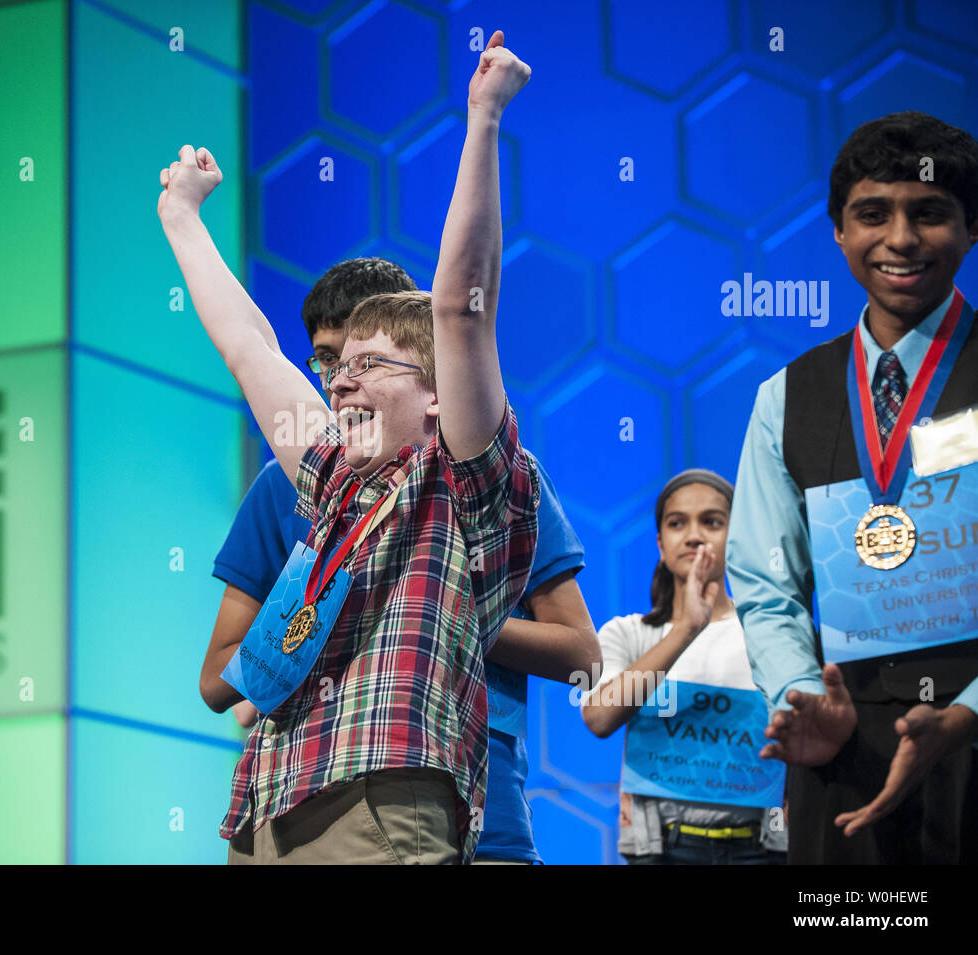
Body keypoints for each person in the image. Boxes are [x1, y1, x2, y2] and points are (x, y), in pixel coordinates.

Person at [157, 31, 568, 863]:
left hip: (385, 802)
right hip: (266, 807)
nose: (340, 382)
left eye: (370, 364)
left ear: (438, 394)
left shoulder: (467, 486)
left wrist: (483, 117)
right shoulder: (330, 482)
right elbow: (250, 348)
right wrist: (181, 216)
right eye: (338, 367)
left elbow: (461, 306)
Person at [204, 263, 600, 865]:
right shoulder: (304, 484)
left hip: (457, 790)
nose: (338, 383)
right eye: (326, 362)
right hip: (291, 787)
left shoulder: (484, 482)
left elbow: (582, 654)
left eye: (365, 361)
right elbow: (219, 684)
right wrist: (306, 631)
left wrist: (433, 612)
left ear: (435, 380)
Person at [727, 111, 978, 864]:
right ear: (838, 230)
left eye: (929, 213)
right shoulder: (786, 394)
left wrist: (968, 712)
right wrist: (799, 695)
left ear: (972, 229)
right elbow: (765, 582)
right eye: (873, 213)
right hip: (840, 752)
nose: (900, 239)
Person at [581, 470, 786, 864]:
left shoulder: (770, 631)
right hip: (662, 847)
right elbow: (599, 717)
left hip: (762, 846)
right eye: (678, 524)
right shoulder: (628, 633)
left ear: (735, 535)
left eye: (712, 522)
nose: (694, 536)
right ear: (660, 543)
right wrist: (688, 628)